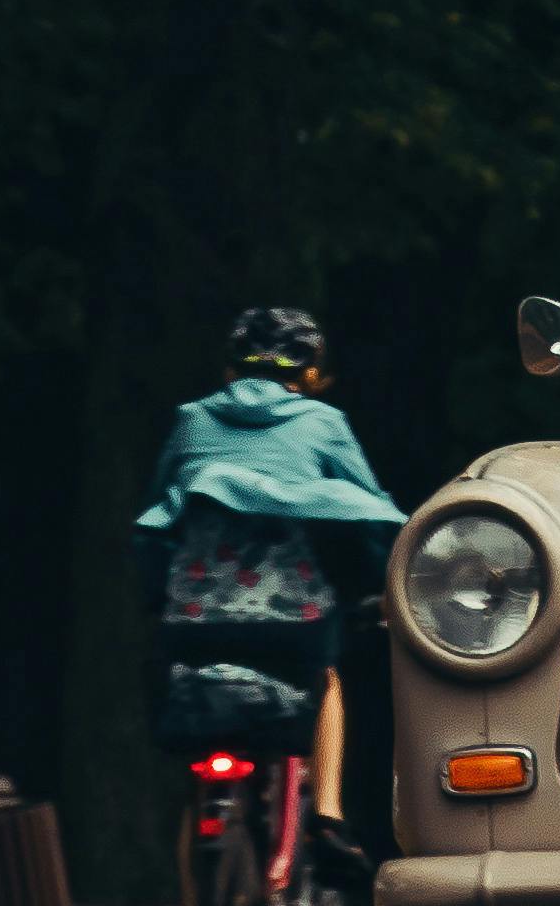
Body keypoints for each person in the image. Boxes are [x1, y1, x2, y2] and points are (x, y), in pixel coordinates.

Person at [134, 307, 401, 855]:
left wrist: (155, 594)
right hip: (291, 620)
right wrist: (380, 587)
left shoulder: (191, 419)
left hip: (193, 619)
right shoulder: (324, 423)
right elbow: (372, 515)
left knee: (196, 786)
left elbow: (158, 520)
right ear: (309, 373)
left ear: (231, 367)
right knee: (325, 681)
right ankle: (328, 815)